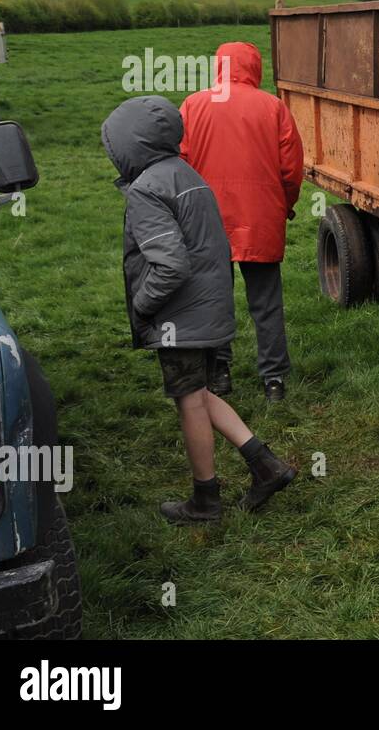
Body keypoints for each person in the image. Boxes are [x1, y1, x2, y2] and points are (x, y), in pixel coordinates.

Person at [102, 95, 296, 523]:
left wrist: (143, 303)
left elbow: (170, 264)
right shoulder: (187, 174)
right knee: (201, 393)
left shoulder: (146, 190)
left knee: (188, 401)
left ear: (129, 146)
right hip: (207, 311)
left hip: (180, 319)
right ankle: (267, 466)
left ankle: (205, 500)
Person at [180, 41, 304, 403]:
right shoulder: (273, 107)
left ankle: (219, 372)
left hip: (207, 221)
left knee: (213, 300)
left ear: (218, 65)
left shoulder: (193, 105)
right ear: (254, 67)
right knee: (266, 302)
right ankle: (274, 380)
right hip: (259, 218)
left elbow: (181, 163)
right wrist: (284, 205)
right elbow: (292, 169)